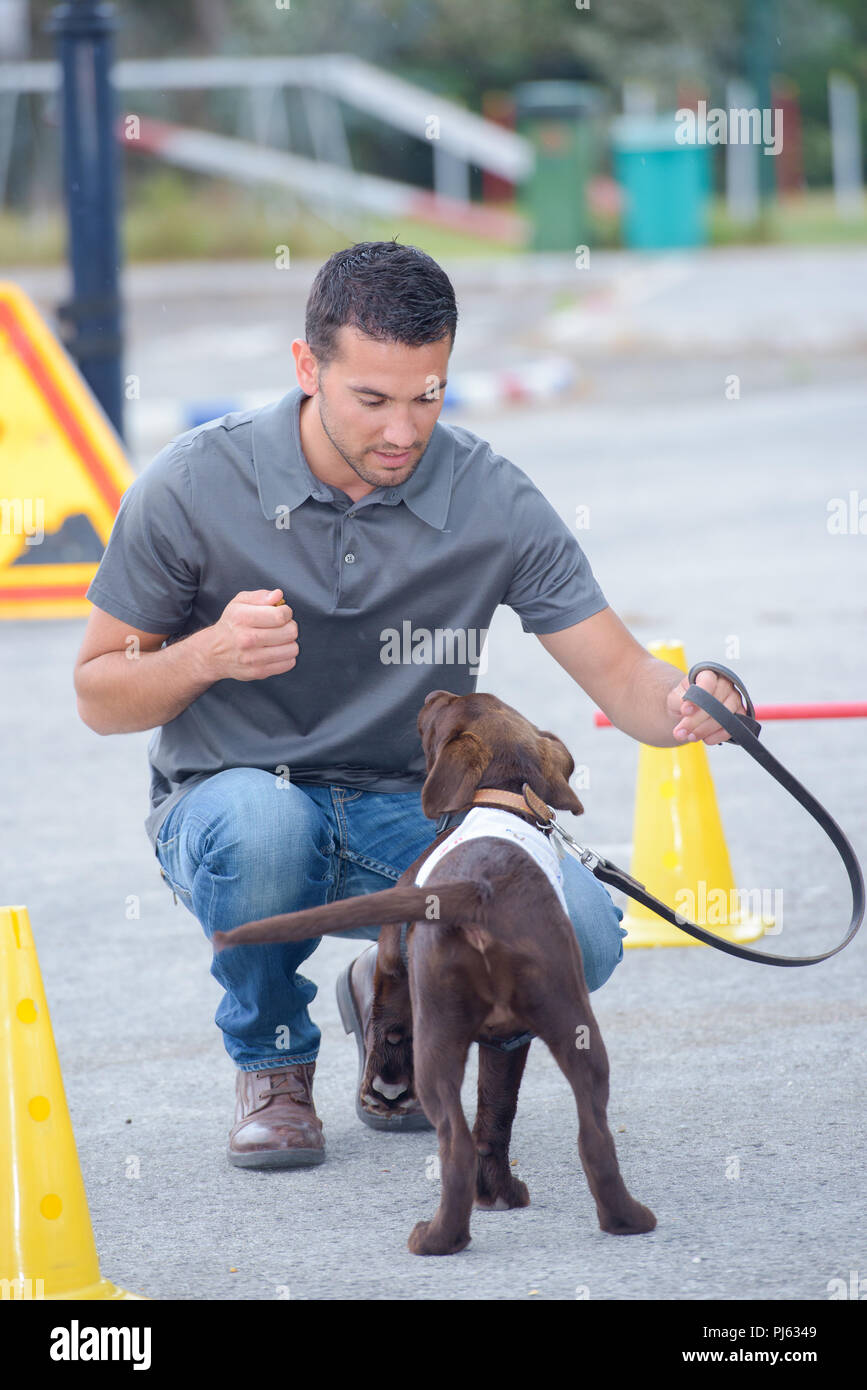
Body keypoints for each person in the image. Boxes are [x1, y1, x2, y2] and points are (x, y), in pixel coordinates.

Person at [73, 239, 746, 1169]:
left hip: (413, 813)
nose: (403, 431)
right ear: (307, 368)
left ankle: (387, 992)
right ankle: (272, 1062)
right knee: (265, 830)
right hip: (235, 804)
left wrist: (694, 701)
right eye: (373, 399)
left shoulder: (491, 497)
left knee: (583, 939)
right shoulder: (192, 487)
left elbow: (623, 674)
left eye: (427, 396)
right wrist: (210, 653)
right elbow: (99, 694)